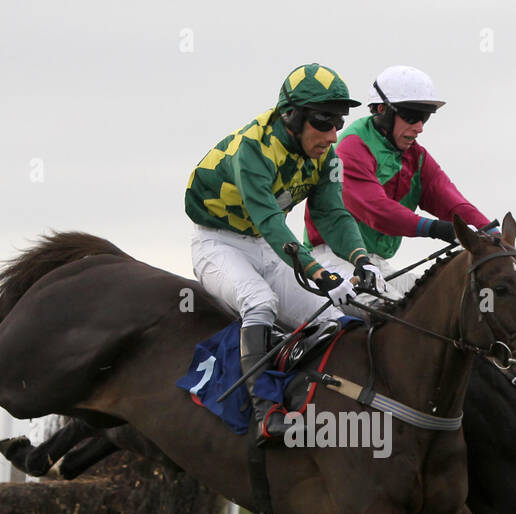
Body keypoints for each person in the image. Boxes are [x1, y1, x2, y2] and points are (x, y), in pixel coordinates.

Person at [185, 63, 386, 442]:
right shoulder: (254, 149)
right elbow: (271, 222)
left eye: (339, 123)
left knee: (329, 319)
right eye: (323, 122)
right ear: (291, 116)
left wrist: (361, 259)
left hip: (265, 245)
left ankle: (303, 397)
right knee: (259, 302)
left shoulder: (326, 157)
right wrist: (321, 275)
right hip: (218, 242)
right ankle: (264, 411)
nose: (332, 134)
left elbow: (332, 214)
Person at [302, 65, 497, 297]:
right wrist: (438, 229)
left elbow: (452, 202)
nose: (420, 127)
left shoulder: (417, 156)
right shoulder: (351, 147)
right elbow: (378, 211)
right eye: (412, 116)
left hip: (377, 263)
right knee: (399, 319)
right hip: (331, 258)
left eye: (424, 117)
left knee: (447, 301)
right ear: (382, 110)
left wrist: (494, 235)